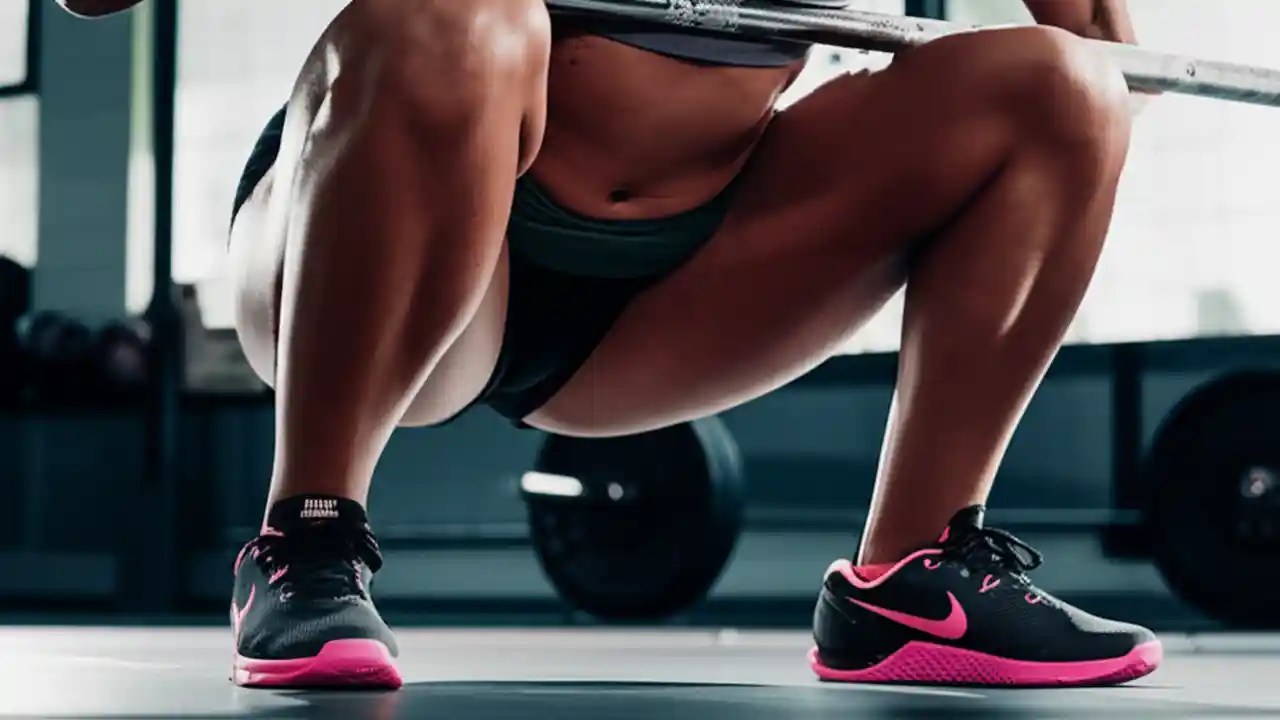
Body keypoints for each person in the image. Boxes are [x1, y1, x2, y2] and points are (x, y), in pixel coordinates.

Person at [61, 0, 1162, 689]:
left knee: (1064, 91)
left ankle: (914, 578)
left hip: (671, 290)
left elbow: (1115, 64)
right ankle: (303, 541)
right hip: (382, 226)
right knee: (456, 15)